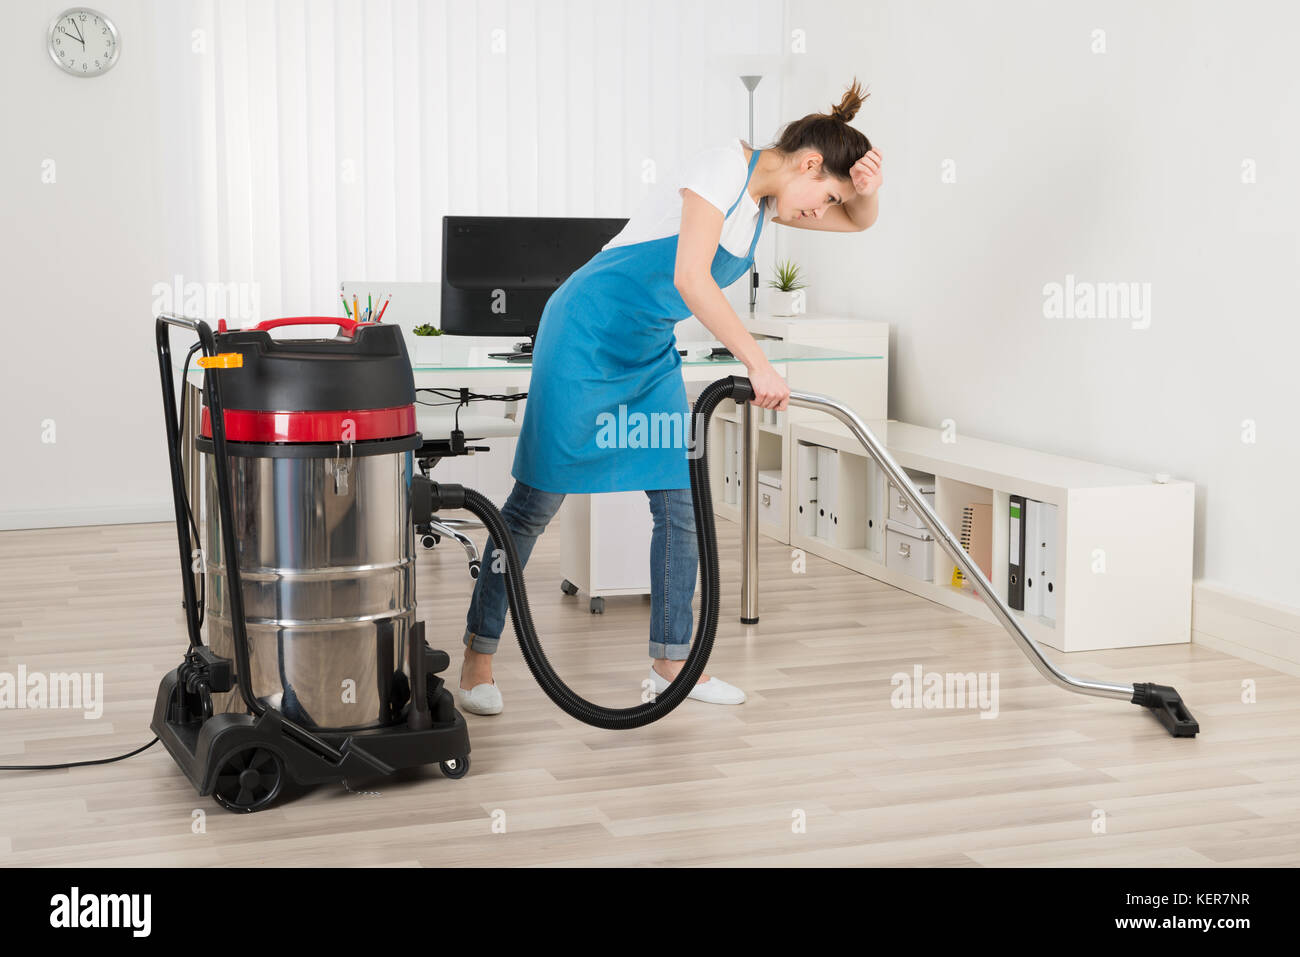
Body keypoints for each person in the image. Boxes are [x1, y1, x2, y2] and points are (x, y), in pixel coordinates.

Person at [457, 78, 884, 715]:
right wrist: (757, 360)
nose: (822, 211)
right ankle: (476, 664)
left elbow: (856, 222)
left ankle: (670, 664)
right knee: (533, 504)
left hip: (645, 351)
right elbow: (689, 277)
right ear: (809, 163)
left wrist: (869, 193)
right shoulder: (721, 168)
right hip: (584, 335)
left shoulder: (765, 207)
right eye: (825, 195)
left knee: (680, 505)